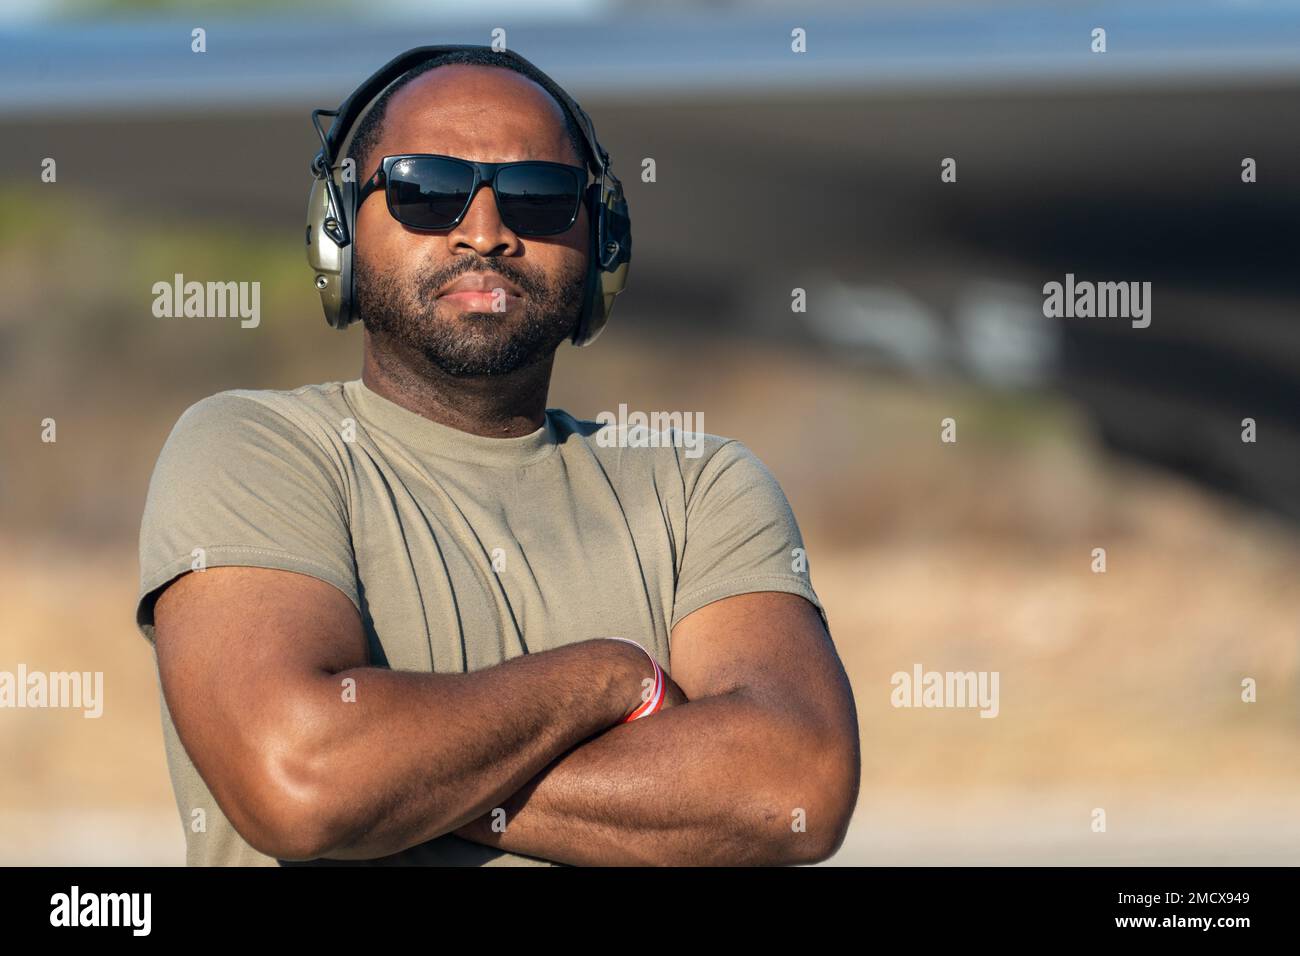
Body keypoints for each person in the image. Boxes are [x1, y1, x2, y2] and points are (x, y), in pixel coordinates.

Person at [135, 47, 859, 866]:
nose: (485, 232)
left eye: (541, 200)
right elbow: (301, 783)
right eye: (426, 191)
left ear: (603, 246)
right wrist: (609, 679)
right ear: (337, 231)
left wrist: (399, 781)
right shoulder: (249, 449)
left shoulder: (701, 486)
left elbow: (796, 786)